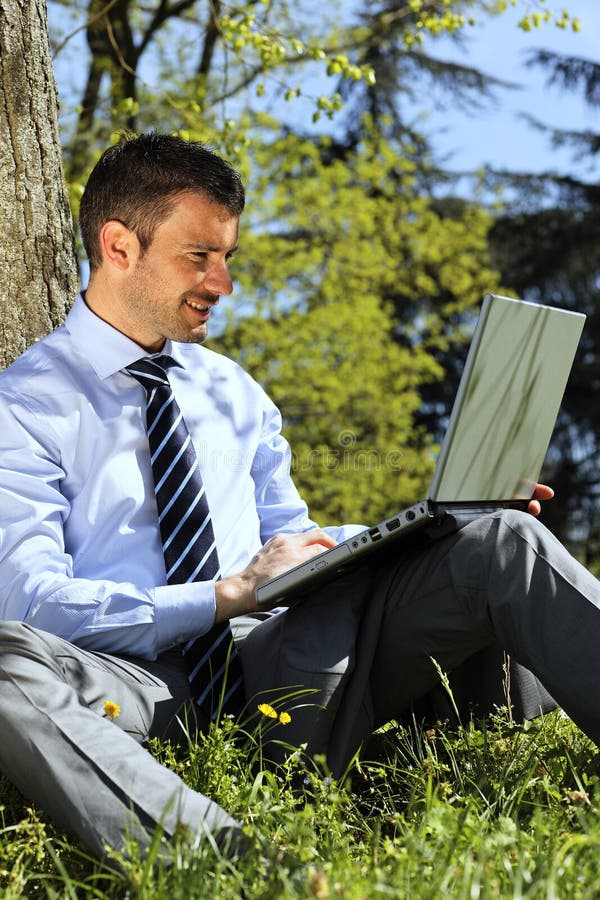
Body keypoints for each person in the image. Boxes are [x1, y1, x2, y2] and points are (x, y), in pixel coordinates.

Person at [0, 132, 598, 863]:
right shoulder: (24, 406)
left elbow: (295, 542)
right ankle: (224, 861)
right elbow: (26, 601)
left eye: (228, 258)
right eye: (199, 257)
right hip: (138, 686)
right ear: (119, 246)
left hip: (287, 660)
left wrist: (433, 524)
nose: (221, 284)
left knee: (500, 541)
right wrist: (221, 596)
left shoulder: (232, 391)